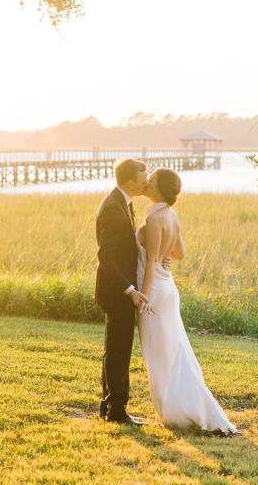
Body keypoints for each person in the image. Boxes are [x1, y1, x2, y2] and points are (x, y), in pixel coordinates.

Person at [136, 167, 237, 434]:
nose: (146, 182)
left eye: (151, 179)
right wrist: (163, 255)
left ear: (158, 189)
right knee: (172, 349)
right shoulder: (171, 214)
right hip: (168, 286)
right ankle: (177, 406)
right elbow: (178, 253)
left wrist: (143, 296)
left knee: (159, 353)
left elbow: (151, 263)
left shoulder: (156, 218)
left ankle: (175, 410)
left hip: (155, 290)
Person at [93, 157, 153, 424]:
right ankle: (116, 411)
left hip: (118, 290)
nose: (147, 183)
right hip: (116, 292)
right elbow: (106, 257)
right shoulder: (113, 209)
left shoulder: (122, 203)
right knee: (118, 351)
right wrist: (129, 289)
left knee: (115, 349)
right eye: (143, 181)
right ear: (130, 183)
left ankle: (110, 406)